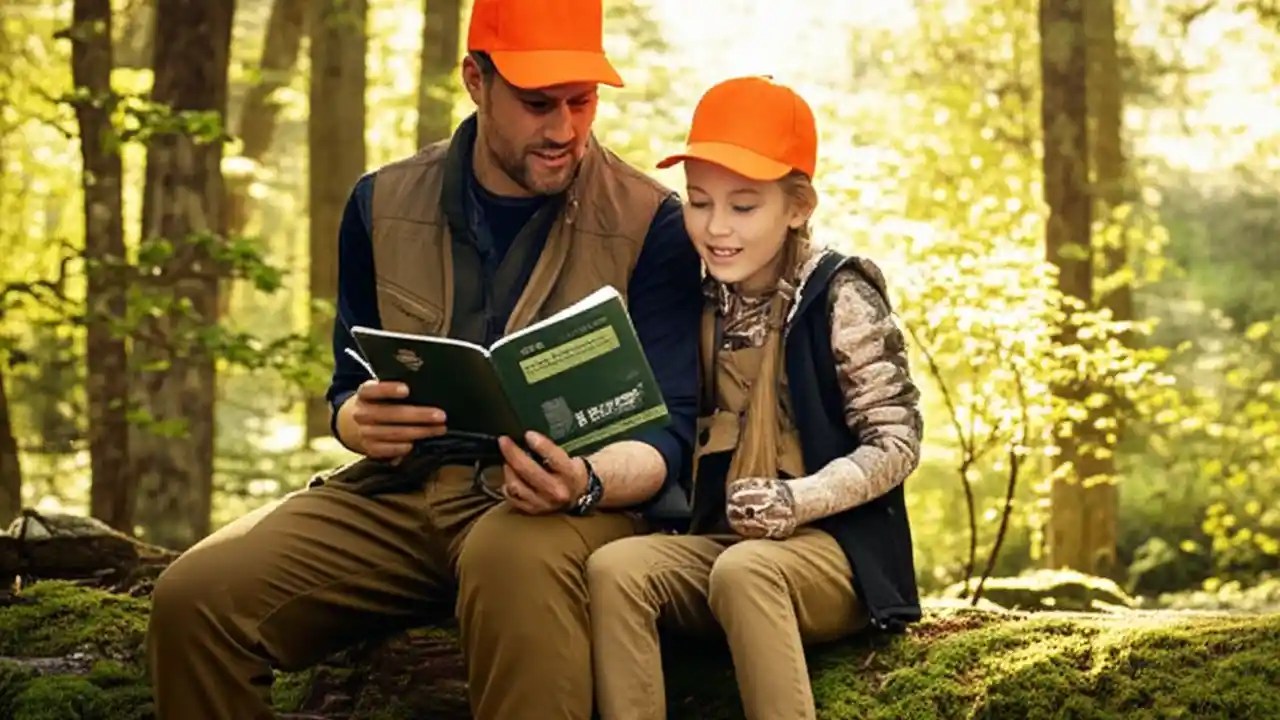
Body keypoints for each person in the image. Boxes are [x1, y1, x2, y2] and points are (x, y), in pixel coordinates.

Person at [144, 0, 702, 718]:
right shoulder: (379, 204)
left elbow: (671, 429)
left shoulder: (652, 223)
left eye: (582, 101)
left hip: (559, 508)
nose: (565, 130)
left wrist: (586, 481)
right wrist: (355, 421)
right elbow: (349, 385)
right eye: (538, 104)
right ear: (475, 81)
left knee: (510, 559)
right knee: (193, 600)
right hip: (401, 497)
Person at [585, 75, 925, 720]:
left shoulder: (840, 294)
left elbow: (897, 440)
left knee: (746, 572)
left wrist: (798, 500)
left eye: (743, 207)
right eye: (698, 202)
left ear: (798, 206)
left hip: (834, 558)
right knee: (616, 569)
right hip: (724, 545)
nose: (716, 228)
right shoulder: (692, 295)